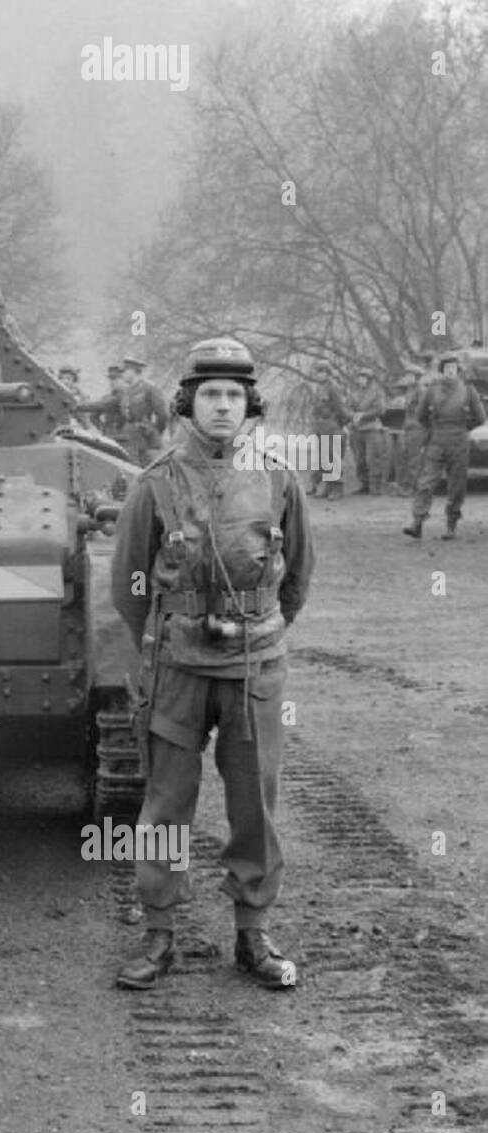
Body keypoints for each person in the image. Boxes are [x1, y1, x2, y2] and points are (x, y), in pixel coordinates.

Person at [110, 337, 314, 992]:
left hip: (254, 667)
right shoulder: (155, 484)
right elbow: (128, 586)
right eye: (209, 395)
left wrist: (257, 629)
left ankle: (252, 933)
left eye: (233, 395)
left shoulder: (278, 479)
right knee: (164, 803)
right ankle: (158, 932)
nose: (221, 406)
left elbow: (297, 579)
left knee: (254, 800)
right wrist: (173, 635)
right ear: (187, 405)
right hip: (177, 666)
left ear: (248, 405)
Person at [403, 354, 485, 540]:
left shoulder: (468, 390)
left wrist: (463, 428)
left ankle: (451, 526)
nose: (450, 372)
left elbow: (480, 417)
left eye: (453, 369)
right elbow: (421, 415)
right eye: (447, 368)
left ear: (458, 371)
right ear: (441, 371)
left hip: (458, 442)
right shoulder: (432, 391)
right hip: (437, 441)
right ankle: (417, 521)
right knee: (426, 482)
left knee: (456, 486)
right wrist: (434, 428)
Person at [305, 360, 349, 499]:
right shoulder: (319, 388)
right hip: (321, 426)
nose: (319, 375)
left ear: (327, 373)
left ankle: (337, 489)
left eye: (322, 372)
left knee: (333, 457)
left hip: (332, 425)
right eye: (317, 372)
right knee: (322, 458)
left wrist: (340, 425)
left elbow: (340, 409)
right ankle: (327, 488)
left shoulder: (333, 388)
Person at [349, 366, 389, 495]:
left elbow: (380, 410)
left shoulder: (377, 393)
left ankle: (376, 488)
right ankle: (364, 485)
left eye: (364, 377)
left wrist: (363, 415)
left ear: (369, 379)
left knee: (373, 459)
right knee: (359, 459)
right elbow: (347, 407)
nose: (361, 380)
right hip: (357, 429)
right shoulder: (354, 393)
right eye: (360, 377)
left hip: (372, 429)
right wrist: (351, 416)